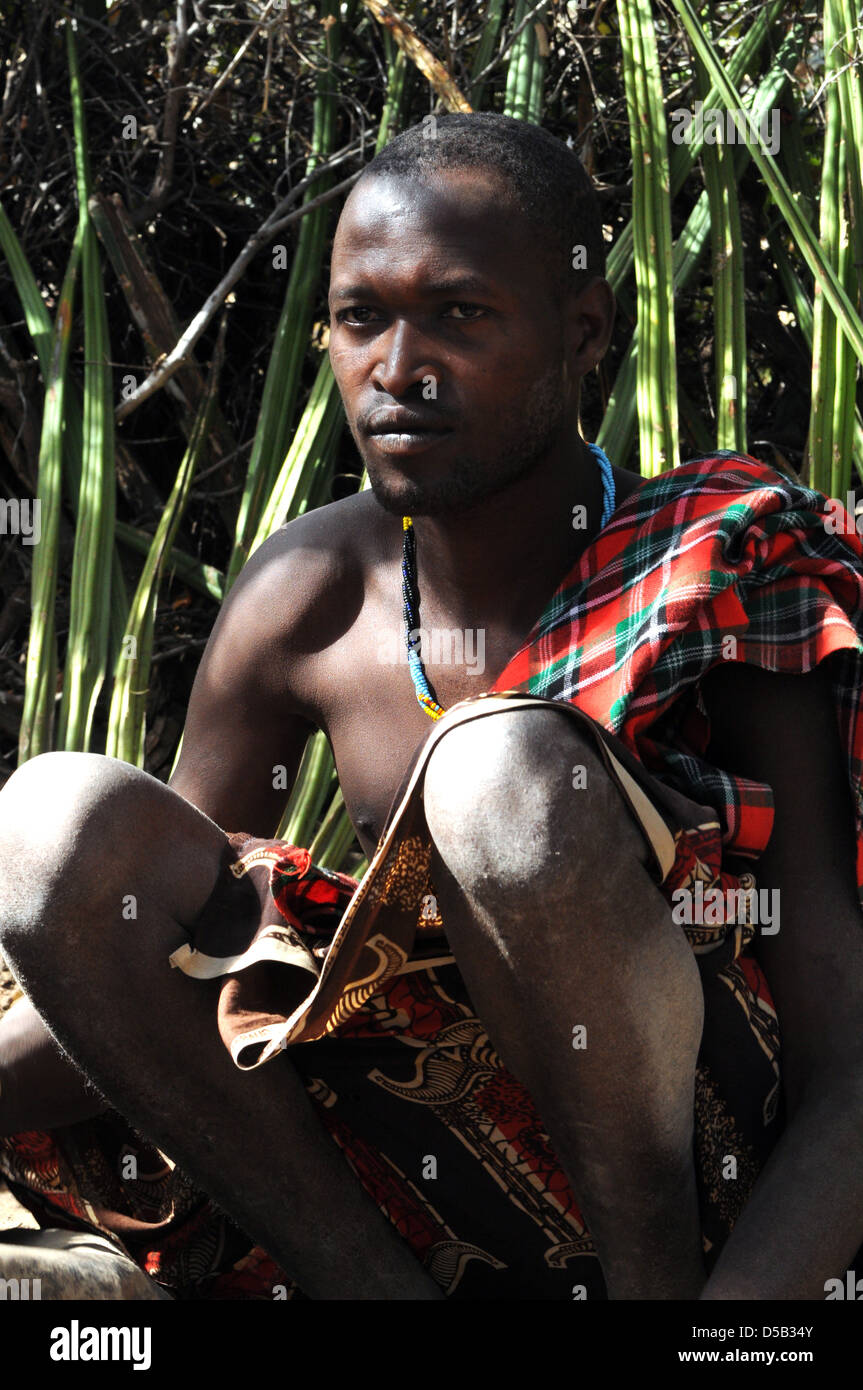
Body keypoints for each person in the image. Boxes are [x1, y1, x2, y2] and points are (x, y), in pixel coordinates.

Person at [2, 111, 863, 1301]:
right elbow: (145, 958)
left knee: (498, 778)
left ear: (583, 334)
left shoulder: (716, 570)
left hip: (718, 1204)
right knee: (51, 815)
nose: (398, 367)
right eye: (362, 317)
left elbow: (846, 1056)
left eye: (458, 314)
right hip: (437, 1204)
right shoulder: (307, 598)